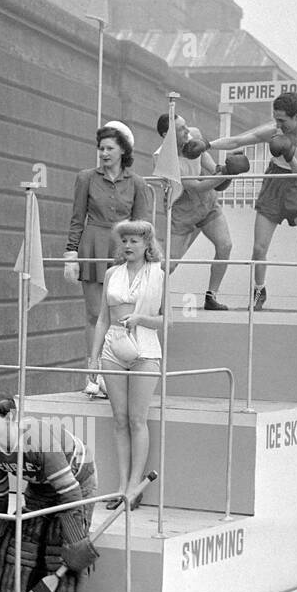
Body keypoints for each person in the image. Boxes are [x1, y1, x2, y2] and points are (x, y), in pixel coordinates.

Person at [0, 390, 99, 592]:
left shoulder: (38, 439)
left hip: (78, 483)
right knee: (21, 550)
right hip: (41, 489)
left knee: (61, 554)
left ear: (11, 416)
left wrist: (76, 540)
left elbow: (70, 494)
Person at [195, 92, 297, 312]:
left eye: (283, 120)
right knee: (259, 247)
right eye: (276, 119)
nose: (279, 125)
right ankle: (259, 291)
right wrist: (207, 145)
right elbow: (239, 140)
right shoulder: (274, 130)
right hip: (274, 185)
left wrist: (289, 153)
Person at [64, 121, 152, 398]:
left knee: (122, 315)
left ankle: (122, 372)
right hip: (93, 246)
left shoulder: (137, 182)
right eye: (100, 148)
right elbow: (77, 218)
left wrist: (146, 259)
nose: (103, 153)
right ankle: (93, 375)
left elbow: (143, 225)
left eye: (109, 148)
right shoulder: (85, 178)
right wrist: (71, 254)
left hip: (125, 250)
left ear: (122, 150)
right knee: (93, 314)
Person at [88, 218, 164, 510]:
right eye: (125, 240)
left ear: (147, 244)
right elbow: (102, 319)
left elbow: (168, 320)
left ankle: (135, 486)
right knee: (119, 419)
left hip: (145, 349)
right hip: (113, 348)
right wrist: (93, 358)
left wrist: (140, 319)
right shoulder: (112, 273)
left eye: (134, 240)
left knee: (137, 419)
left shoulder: (158, 274)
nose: (128, 245)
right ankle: (122, 486)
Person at [155, 113, 233, 311]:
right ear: (167, 135)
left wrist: (217, 169)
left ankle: (211, 296)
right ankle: (153, 299)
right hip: (181, 206)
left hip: (206, 202)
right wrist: (226, 174)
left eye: (186, 125)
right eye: (181, 129)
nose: (187, 131)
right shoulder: (162, 159)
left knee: (225, 245)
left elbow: (203, 154)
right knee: (169, 264)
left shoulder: (193, 134)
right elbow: (196, 186)